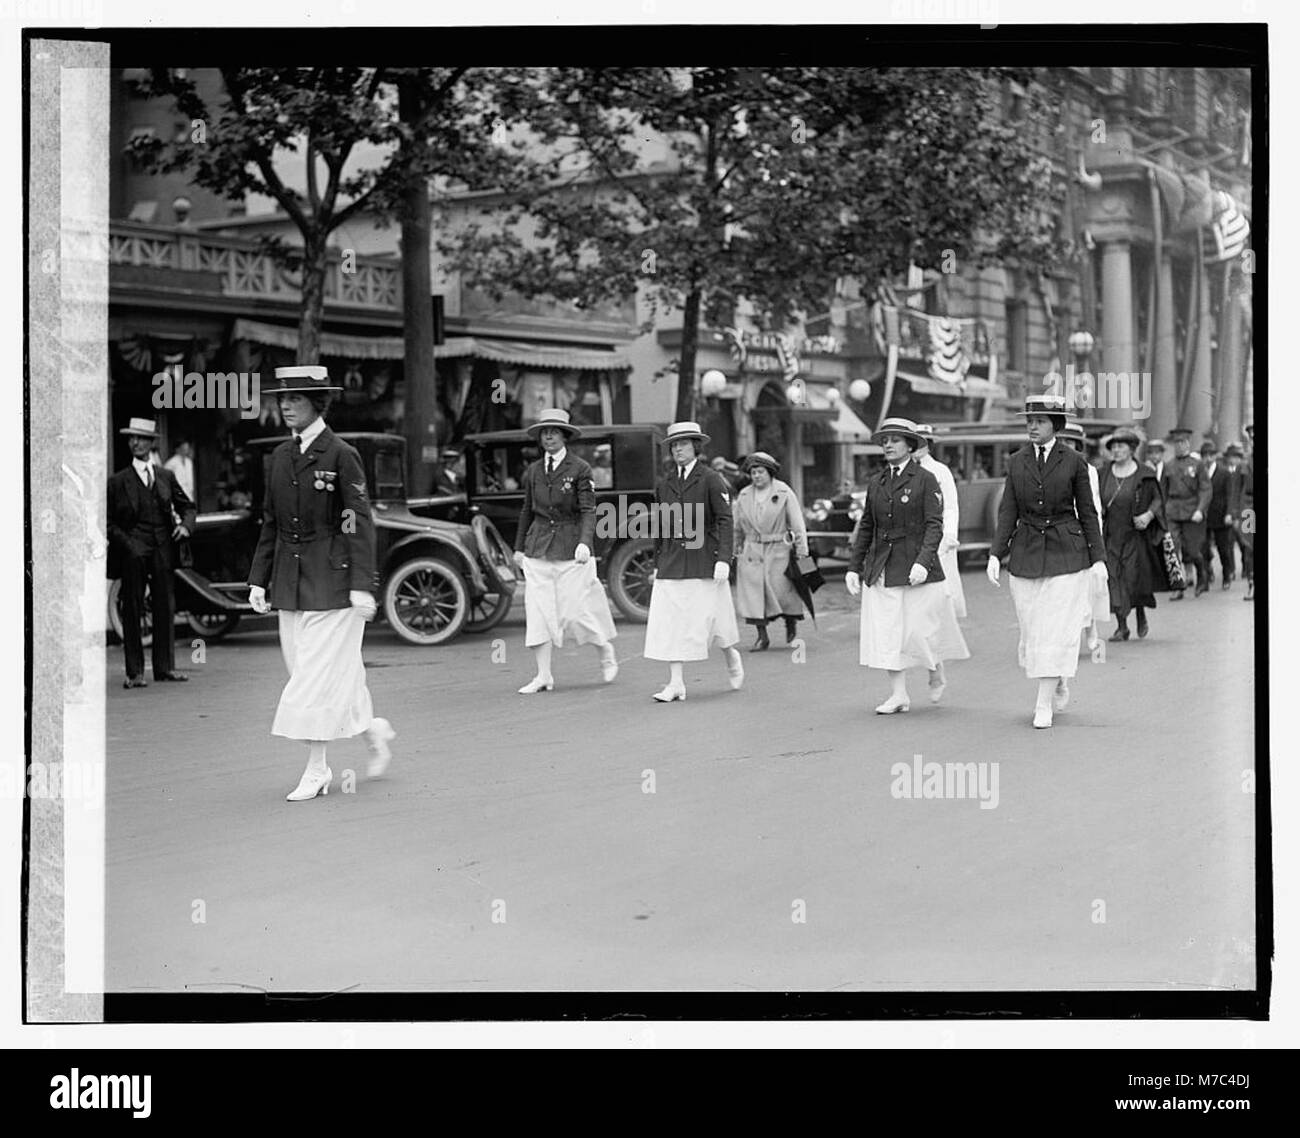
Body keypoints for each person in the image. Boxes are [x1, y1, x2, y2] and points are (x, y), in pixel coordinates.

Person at [247, 367, 395, 802]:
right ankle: (374, 733)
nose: (286, 405)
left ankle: (318, 770)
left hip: (334, 584)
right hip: (291, 584)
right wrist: (258, 579)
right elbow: (271, 522)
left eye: (295, 398)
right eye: (283, 399)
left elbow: (358, 520)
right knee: (317, 674)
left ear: (318, 404)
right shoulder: (278, 456)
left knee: (313, 680)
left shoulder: (341, 454)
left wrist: (362, 582)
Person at [986, 395, 1107, 729]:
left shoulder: (1074, 462)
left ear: (1056, 424)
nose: (1032, 426)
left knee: (1054, 628)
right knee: (1032, 628)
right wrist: (996, 553)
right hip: (1025, 553)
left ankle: (1043, 703)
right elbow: (1007, 509)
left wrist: (1098, 559)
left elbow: (1088, 512)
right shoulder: (1016, 461)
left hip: (1067, 554)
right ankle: (1057, 678)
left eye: (1039, 421)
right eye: (1029, 420)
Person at [845, 417, 968, 714]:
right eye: (884, 440)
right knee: (888, 631)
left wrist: (924, 561)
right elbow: (867, 526)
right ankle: (899, 693)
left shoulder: (926, 479)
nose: (887, 445)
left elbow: (934, 524)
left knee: (919, 631)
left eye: (895, 440)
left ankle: (934, 665)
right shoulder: (877, 482)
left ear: (910, 445)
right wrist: (854, 566)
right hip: (883, 564)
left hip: (916, 565)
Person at [511, 408, 618, 692]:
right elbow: (526, 510)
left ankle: (603, 647)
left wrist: (585, 541)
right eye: (544, 432)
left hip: (572, 549)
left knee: (573, 612)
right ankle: (543, 674)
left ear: (565, 436)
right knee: (539, 612)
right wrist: (519, 548)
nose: (549, 437)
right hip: (538, 548)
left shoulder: (580, 468)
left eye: (554, 432)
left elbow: (588, 510)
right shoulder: (533, 471)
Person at [643, 421, 743, 701]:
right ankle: (675, 683)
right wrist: (657, 562)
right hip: (673, 561)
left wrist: (725, 558)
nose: (678, 449)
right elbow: (661, 525)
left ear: (695, 447)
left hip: (704, 559)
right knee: (672, 621)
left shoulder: (711, 478)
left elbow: (725, 519)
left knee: (713, 620)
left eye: (683, 444)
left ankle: (731, 656)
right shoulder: (665, 484)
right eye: (674, 445)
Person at [107, 417, 196, 689]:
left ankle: (165, 668)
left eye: (141, 438)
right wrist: (129, 544)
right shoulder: (118, 481)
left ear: (151, 443)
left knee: (164, 607)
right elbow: (107, 522)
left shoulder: (165, 476)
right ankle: (134, 673)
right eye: (131, 438)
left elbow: (188, 507)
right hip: (133, 551)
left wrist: (186, 528)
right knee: (132, 609)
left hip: (162, 548)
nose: (135, 442)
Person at [732, 452, 809, 650]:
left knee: (783, 592)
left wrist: (802, 550)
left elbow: (797, 524)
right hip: (752, 551)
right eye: (753, 472)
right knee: (754, 595)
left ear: (770, 473)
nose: (756, 476)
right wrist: (734, 551)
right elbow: (736, 526)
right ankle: (761, 636)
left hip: (779, 549)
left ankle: (790, 624)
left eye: (760, 472)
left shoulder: (784, 492)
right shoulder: (744, 495)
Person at [1099, 428, 1166, 641]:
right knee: (1114, 578)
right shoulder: (1103, 473)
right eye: (1113, 447)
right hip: (1111, 535)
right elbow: (1094, 497)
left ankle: (1140, 612)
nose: (1116, 451)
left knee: (1133, 578)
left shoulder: (1144, 473)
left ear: (1132, 449)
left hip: (1135, 537)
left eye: (1121, 446)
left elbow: (1157, 499)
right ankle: (1122, 626)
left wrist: (1148, 515)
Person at [1059, 420, 1113, 649]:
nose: (1066, 446)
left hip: (1081, 533)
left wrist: (1095, 540)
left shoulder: (1088, 471)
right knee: (1061, 589)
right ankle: (1065, 635)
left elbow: (1094, 508)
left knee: (1085, 585)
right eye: (1062, 441)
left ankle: (1091, 627)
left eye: (1071, 442)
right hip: (1056, 534)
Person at [913, 424, 966, 619]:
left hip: (937, 534)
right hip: (913, 534)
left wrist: (950, 535)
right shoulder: (905, 470)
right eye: (914, 442)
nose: (918, 447)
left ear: (930, 445)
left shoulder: (940, 471)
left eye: (923, 443)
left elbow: (950, 506)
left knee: (941, 585)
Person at [1160, 427, 1211, 599]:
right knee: (1172, 549)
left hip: (1192, 510)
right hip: (1173, 510)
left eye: (1183, 442)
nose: (1180, 446)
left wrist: (1200, 509)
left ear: (1188, 443)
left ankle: (1202, 576)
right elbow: (1162, 492)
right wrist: (1162, 512)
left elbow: (1205, 489)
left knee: (1193, 550)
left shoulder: (1198, 465)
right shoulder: (1168, 465)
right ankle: (1178, 586)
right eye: (1177, 443)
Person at [1200, 441, 1235, 590]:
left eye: (1210, 455)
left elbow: (1230, 495)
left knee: (1223, 548)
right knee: (1204, 548)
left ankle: (1226, 575)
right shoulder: (1199, 472)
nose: (1208, 458)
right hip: (1204, 516)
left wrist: (1229, 513)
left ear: (1215, 456)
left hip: (1221, 516)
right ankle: (1207, 575)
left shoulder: (1224, 472)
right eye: (1205, 455)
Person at [1225, 444, 1254, 602]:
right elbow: (1235, 491)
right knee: (1249, 546)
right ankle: (1252, 583)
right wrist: (1233, 513)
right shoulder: (1243, 465)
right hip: (1249, 509)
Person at [164, 438, 196, 503]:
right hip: (177, 496)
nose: (186, 450)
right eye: (183, 447)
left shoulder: (188, 462)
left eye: (187, 448)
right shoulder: (171, 463)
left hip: (189, 495)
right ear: (177, 449)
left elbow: (190, 481)